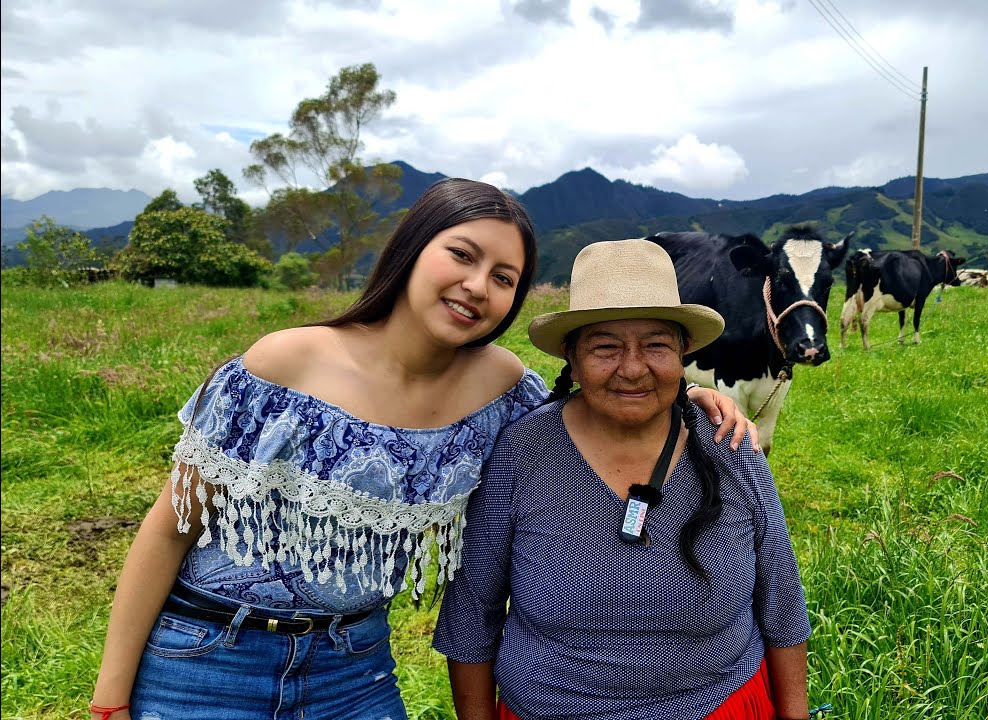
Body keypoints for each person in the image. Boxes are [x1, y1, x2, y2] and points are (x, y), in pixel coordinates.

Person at [89, 180, 756, 720]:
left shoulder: (504, 392)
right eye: (461, 256)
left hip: (354, 670)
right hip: (206, 657)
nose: (476, 286)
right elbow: (169, 530)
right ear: (412, 250)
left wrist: (685, 400)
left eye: (503, 276)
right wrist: (110, 697)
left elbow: (596, 408)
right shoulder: (286, 362)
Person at [434, 239, 812, 720]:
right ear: (571, 357)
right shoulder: (521, 453)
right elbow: (471, 613)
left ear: (684, 352)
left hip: (719, 704)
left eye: (656, 345)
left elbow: (782, 604)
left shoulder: (730, 448)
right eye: (605, 347)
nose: (633, 369)